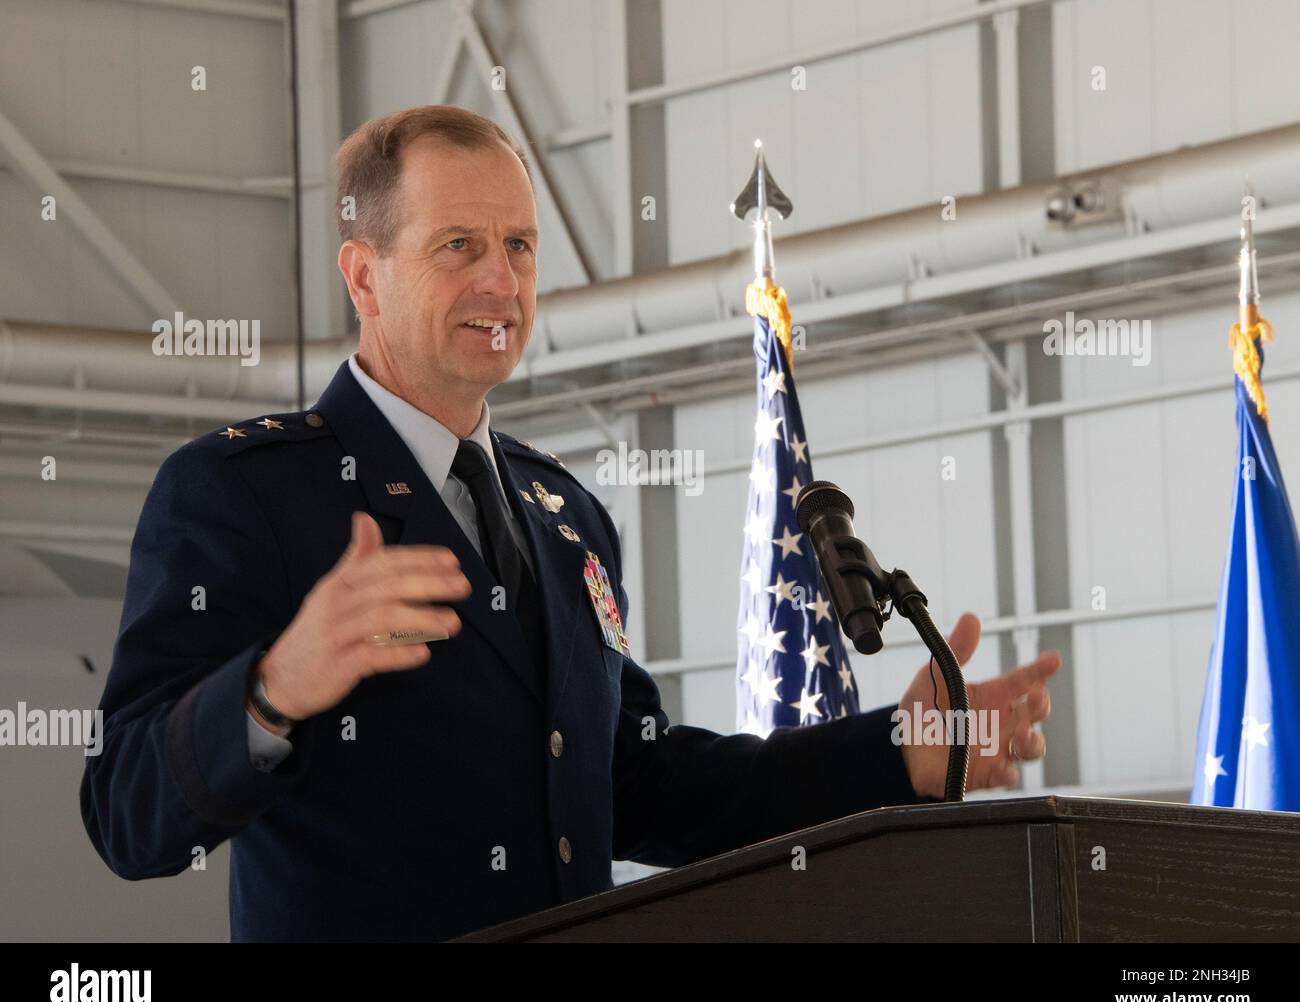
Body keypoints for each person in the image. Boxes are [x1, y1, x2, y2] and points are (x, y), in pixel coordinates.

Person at [80, 105, 1058, 942]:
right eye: (457, 244)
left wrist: (893, 750)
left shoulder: (567, 516)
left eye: (518, 246)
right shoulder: (242, 492)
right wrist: (273, 686)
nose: (501, 282)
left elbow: (642, 786)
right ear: (364, 276)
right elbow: (126, 814)